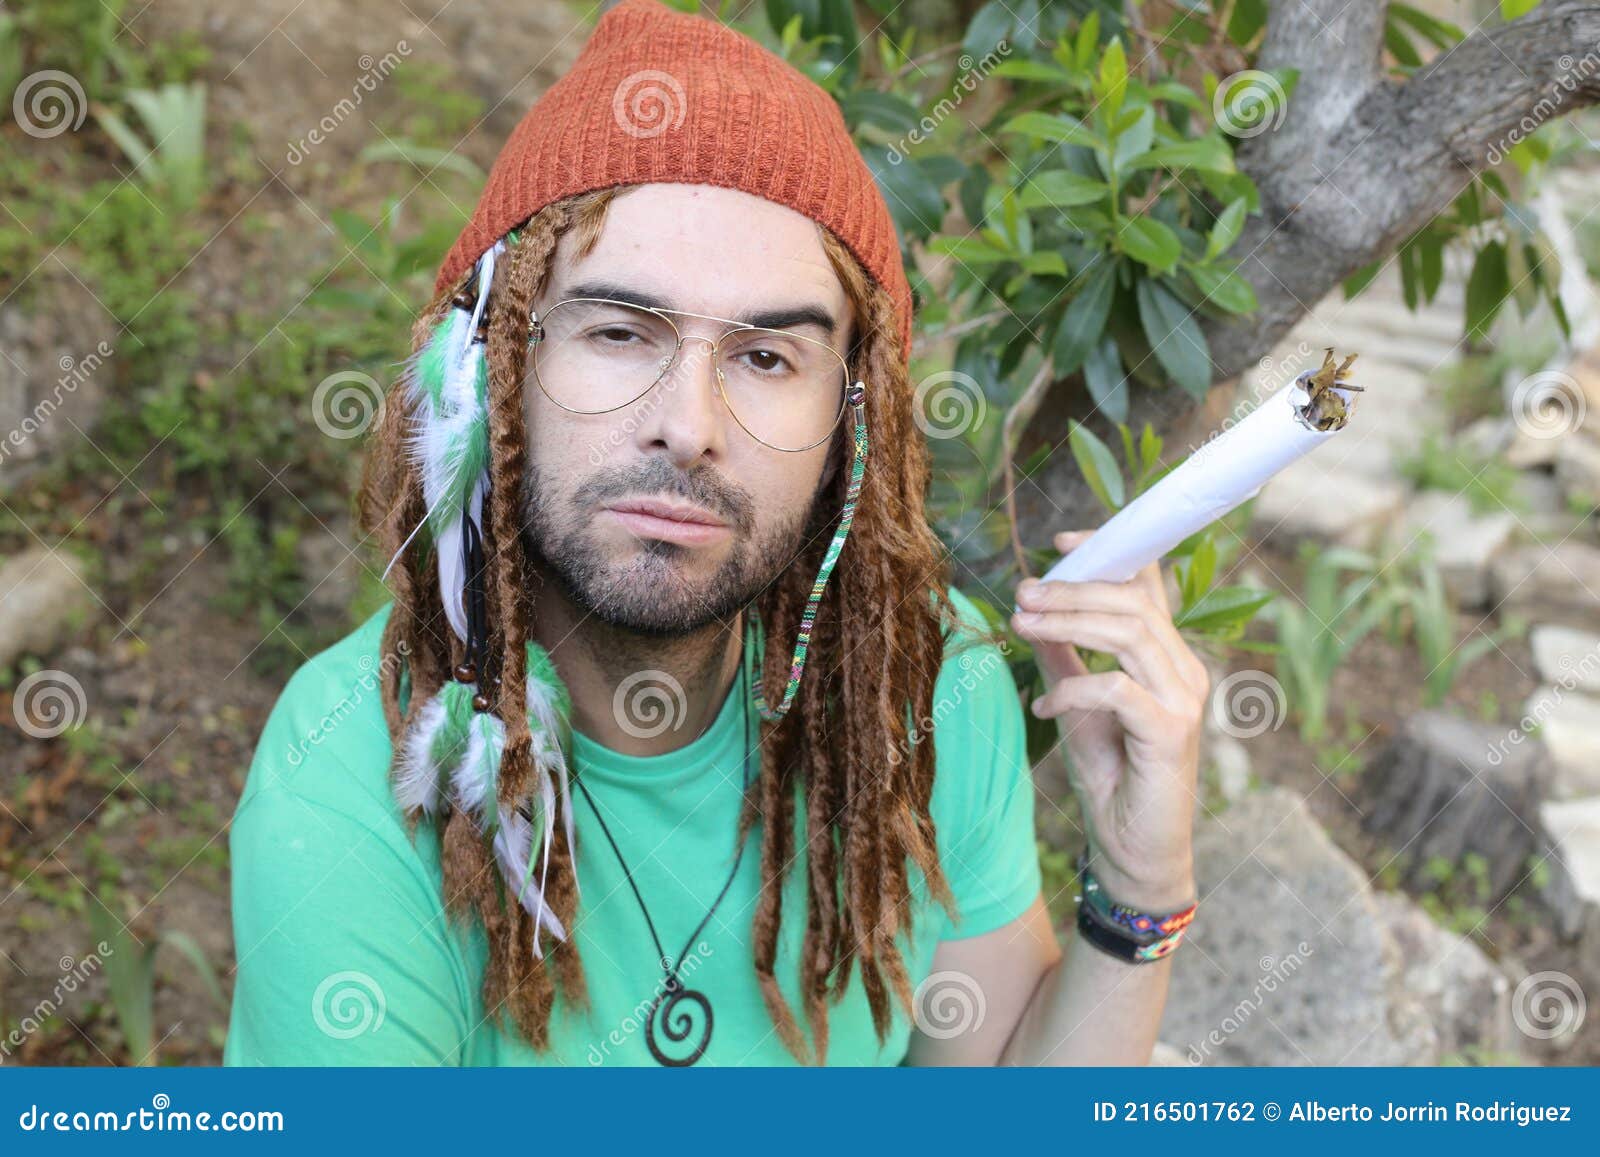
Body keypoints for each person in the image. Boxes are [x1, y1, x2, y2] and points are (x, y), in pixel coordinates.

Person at [224, 0, 1207, 1067]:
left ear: (850, 425)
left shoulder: (923, 684)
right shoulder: (355, 770)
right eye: (617, 331)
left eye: (767, 357)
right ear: (493, 371)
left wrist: (1138, 891)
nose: (688, 427)